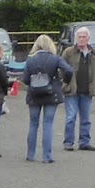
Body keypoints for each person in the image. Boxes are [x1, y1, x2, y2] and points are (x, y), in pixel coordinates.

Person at [22, 35, 74, 163]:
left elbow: (25, 79)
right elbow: (69, 70)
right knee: (48, 123)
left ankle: (30, 154)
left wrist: (34, 82)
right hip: (51, 93)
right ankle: (47, 156)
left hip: (34, 94)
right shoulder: (55, 58)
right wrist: (64, 82)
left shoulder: (30, 60)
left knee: (33, 124)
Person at [61, 27, 95, 151]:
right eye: (79, 37)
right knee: (71, 117)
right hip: (72, 90)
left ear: (88, 38)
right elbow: (61, 69)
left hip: (87, 91)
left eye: (84, 37)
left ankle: (84, 142)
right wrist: (63, 84)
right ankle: (68, 142)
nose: (81, 39)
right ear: (76, 38)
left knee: (86, 119)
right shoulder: (68, 52)